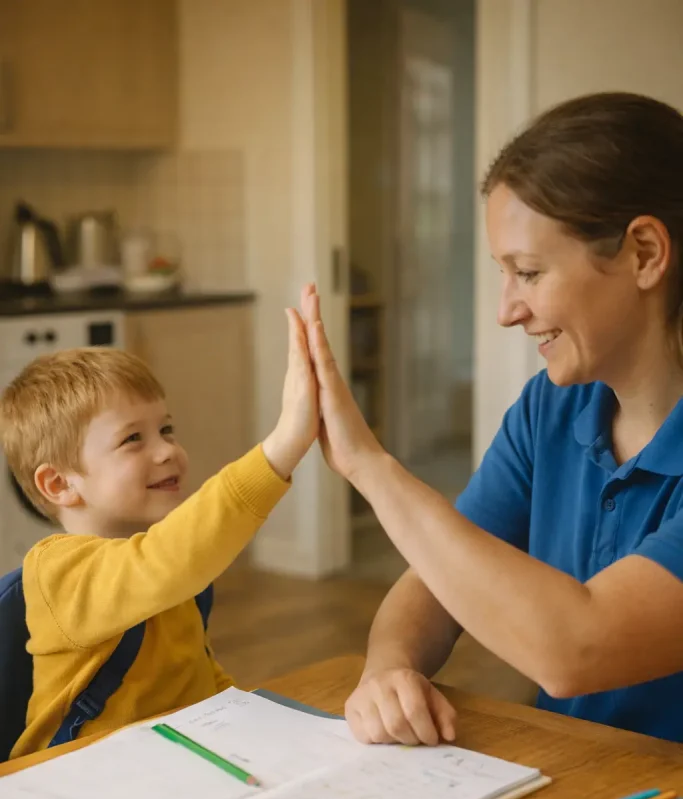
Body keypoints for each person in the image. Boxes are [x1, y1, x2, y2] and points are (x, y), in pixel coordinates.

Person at [296, 91, 683, 745]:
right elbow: (439, 578)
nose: (507, 310)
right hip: (578, 778)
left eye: (528, 273)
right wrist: (390, 668)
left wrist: (368, 464)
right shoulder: (551, 408)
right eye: (502, 274)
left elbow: (574, 650)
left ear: (643, 253)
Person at [0, 323, 318, 758]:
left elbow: (195, 674)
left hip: (166, 765)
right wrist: (283, 446)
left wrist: (249, 718)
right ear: (59, 484)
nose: (167, 450)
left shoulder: (166, 565)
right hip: (74, 782)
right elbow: (167, 561)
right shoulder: (58, 570)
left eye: (166, 429)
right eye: (133, 438)